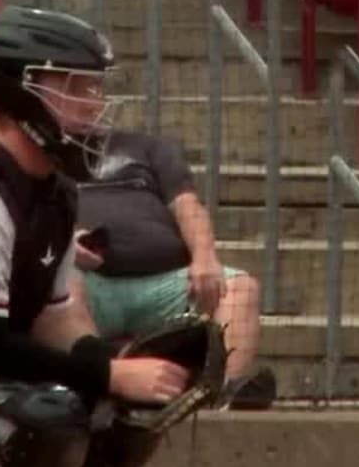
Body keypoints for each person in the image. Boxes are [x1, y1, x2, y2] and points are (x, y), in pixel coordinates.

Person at [0, 6, 191, 467]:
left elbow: (54, 316)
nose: (93, 104)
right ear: (19, 91)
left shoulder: (54, 194)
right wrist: (105, 374)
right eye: (73, 87)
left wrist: (120, 366)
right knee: (38, 418)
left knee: (110, 412)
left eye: (93, 88)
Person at [70, 129, 275, 410]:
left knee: (241, 288)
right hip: (88, 284)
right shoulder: (43, 152)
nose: (90, 98)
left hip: (164, 284)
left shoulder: (144, 146)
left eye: (93, 87)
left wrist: (204, 258)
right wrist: (65, 245)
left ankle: (221, 397)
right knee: (60, 283)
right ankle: (86, 396)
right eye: (76, 88)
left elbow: (187, 206)